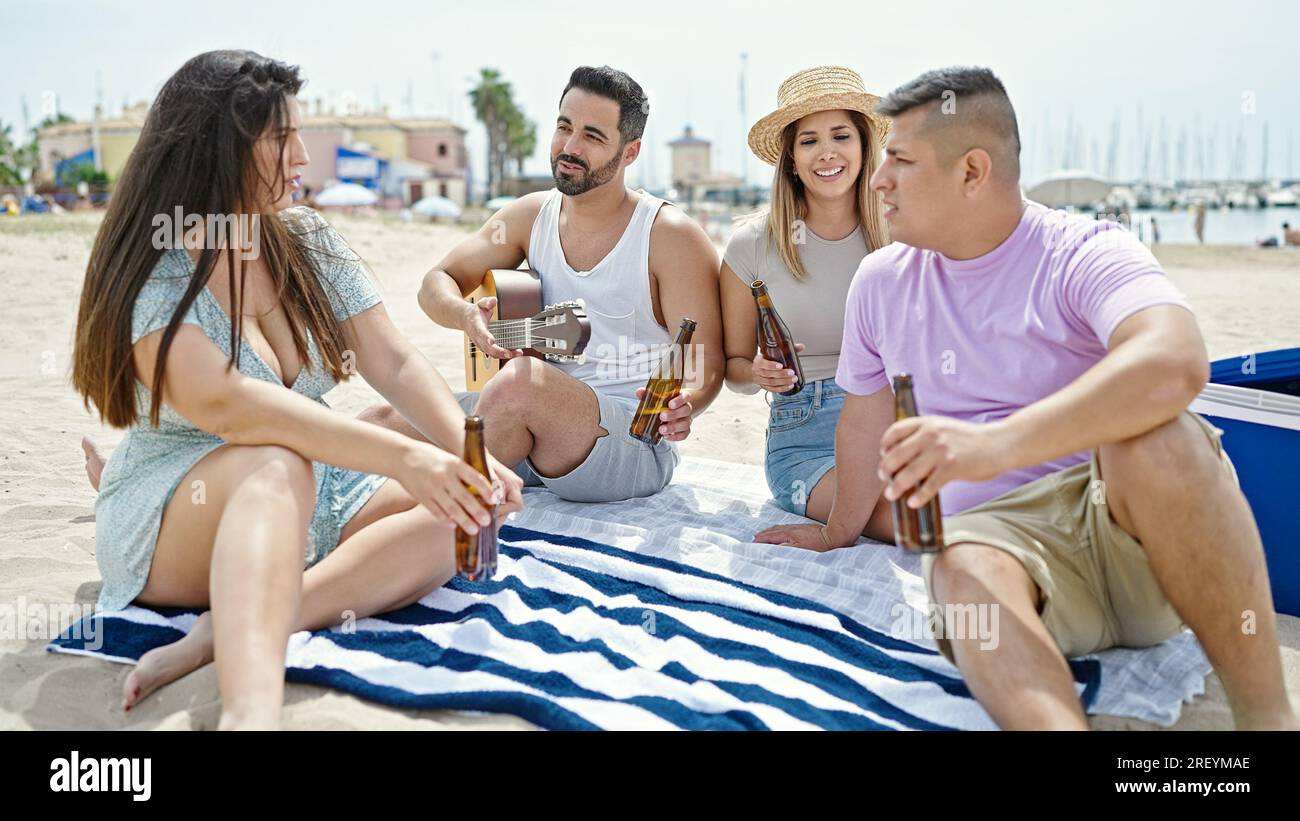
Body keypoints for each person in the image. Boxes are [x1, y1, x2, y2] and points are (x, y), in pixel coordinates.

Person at [757, 66, 1296, 730]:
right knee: (958, 570)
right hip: (1011, 560)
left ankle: (1268, 721)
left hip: (1125, 531)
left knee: (1162, 436)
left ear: (972, 171)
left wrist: (994, 444)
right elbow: (865, 419)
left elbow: (1175, 361)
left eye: (899, 159)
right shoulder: (881, 280)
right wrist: (837, 532)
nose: (878, 180)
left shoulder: (1083, 250)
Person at [72, 50, 524, 729]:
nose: (303, 157)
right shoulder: (161, 271)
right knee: (276, 457)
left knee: (473, 507)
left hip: (314, 489)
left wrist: (466, 452)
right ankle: (250, 714)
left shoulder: (306, 241)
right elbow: (231, 407)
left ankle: (219, 630)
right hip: (182, 505)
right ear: (221, 146)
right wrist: (403, 456)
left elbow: (393, 360)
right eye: (282, 138)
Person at [362, 66, 724, 502]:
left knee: (521, 384)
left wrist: (686, 405)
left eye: (592, 136)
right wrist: (466, 317)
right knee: (377, 423)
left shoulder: (670, 236)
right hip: (523, 421)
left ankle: (422, 516)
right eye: (564, 127)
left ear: (630, 152)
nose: (569, 147)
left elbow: (706, 361)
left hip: (631, 439)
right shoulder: (529, 216)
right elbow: (436, 282)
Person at [716, 66, 892, 530]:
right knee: (912, 521)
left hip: (898, 422)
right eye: (809, 141)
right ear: (791, 158)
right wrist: (756, 372)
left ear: (863, 146)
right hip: (807, 436)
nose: (827, 152)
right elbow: (733, 367)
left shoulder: (904, 234)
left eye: (841, 136)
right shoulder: (751, 244)